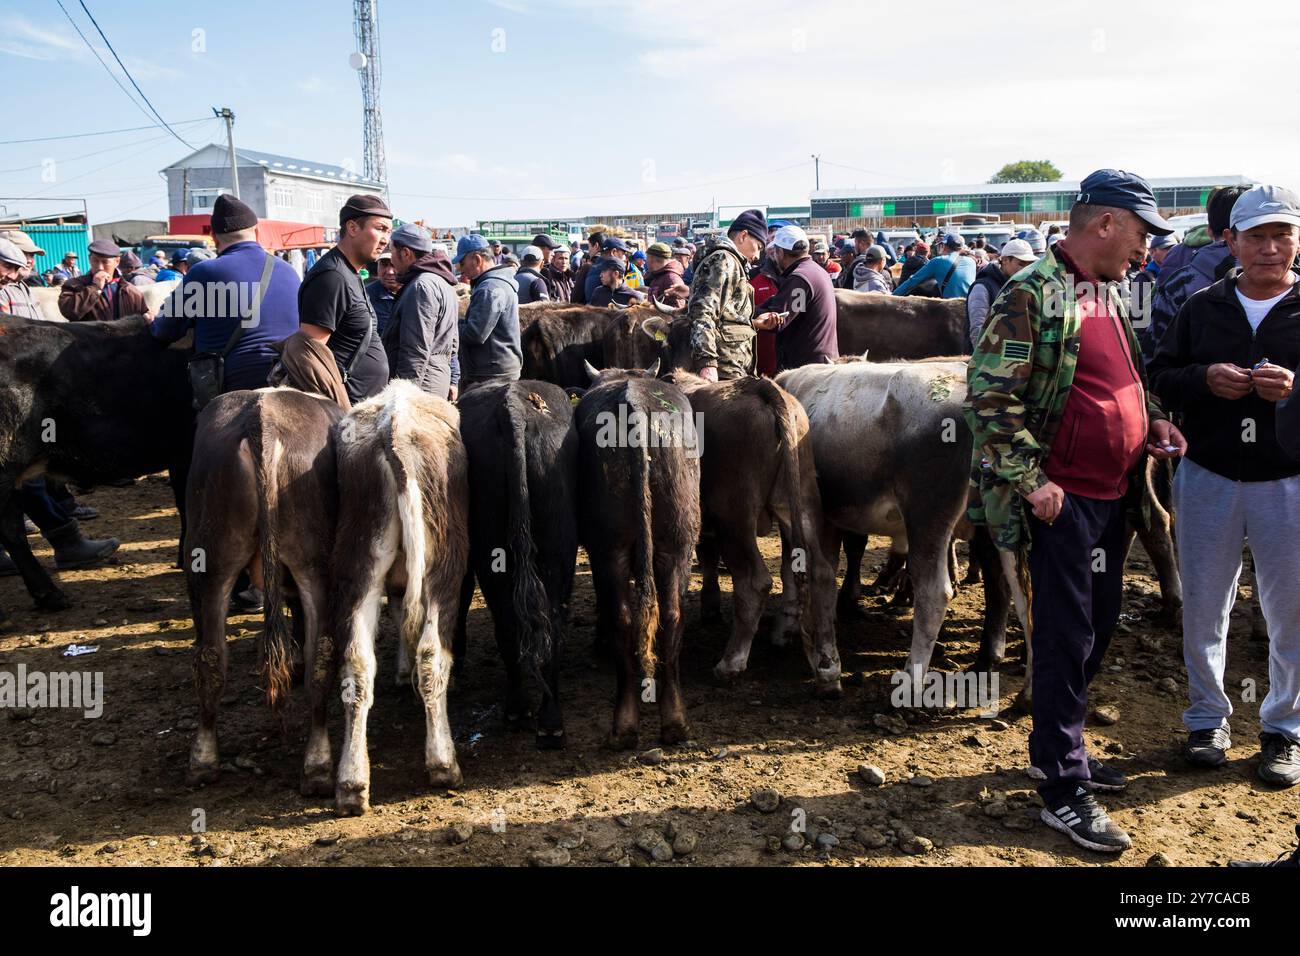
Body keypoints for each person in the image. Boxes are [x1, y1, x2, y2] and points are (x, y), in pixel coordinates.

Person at [965, 169, 1185, 853]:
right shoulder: (1034, 293)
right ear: (1106, 224)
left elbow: (1121, 378)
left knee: (1099, 620)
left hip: (1112, 493)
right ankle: (1062, 785)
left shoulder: (1107, 293)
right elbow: (989, 397)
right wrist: (1033, 481)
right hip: (1065, 500)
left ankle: (1058, 750)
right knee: (1066, 635)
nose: (1146, 248)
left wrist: (1150, 422)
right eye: (1142, 232)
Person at [1148, 185, 1300, 787]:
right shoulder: (1202, 307)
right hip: (1209, 473)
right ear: (1231, 241)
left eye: (1281, 234)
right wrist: (1203, 378)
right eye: (1256, 235)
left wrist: (1296, 389)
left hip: (1287, 480)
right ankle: (1207, 717)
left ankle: (1284, 728)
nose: (1270, 247)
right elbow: (1158, 375)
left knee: (1290, 612)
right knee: (1204, 606)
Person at [149, 193, 301, 392]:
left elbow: (163, 331)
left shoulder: (204, 273)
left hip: (232, 388)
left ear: (213, 237)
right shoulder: (289, 271)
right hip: (290, 381)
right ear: (256, 231)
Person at [298, 194, 392, 405]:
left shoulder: (351, 273)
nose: (385, 239)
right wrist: (339, 409)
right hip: (345, 413)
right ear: (352, 228)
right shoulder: (332, 277)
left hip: (362, 409)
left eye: (388, 231)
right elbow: (309, 356)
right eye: (380, 228)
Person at [1142, 184, 1252, 359]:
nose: (1143, 249)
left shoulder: (1179, 283)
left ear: (1209, 230)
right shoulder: (1288, 285)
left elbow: (1153, 354)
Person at [686, 208, 767, 381]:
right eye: (758, 247)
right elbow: (702, 312)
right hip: (723, 370)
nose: (758, 255)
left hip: (731, 367)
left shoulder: (732, 262)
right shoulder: (724, 260)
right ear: (743, 236)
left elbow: (726, 317)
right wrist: (707, 363)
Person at [383, 223, 460, 400]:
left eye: (392, 252)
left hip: (420, 387)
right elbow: (453, 342)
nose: (391, 260)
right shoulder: (442, 282)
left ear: (406, 253)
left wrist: (402, 398)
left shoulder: (421, 286)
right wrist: (453, 378)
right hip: (433, 380)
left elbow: (415, 350)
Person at [753, 225, 839, 369]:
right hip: (820, 363)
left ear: (780, 252)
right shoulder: (815, 271)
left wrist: (748, 318)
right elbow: (793, 307)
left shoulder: (799, 279)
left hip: (809, 369)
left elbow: (781, 318)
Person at [454, 233, 521, 390]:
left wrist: (449, 326)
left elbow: (475, 334)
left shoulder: (489, 289)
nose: (461, 270)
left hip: (491, 374)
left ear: (477, 259)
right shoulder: (497, 283)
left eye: (462, 264)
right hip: (501, 368)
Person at [966, 238, 1038, 348]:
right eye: (1021, 263)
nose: (1026, 269)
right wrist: (986, 360)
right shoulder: (982, 287)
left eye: (1030, 264)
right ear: (1004, 260)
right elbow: (978, 330)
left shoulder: (1023, 285)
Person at [58, 239, 149, 321]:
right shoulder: (74, 285)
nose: (100, 267)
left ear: (117, 262)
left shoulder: (131, 291)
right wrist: (95, 288)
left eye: (105, 262)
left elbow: (142, 319)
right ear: (90, 260)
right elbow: (69, 313)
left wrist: (148, 318)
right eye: (95, 261)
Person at [893, 233, 976, 298]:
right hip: (970, 307)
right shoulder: (971, 262)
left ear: (943, 246)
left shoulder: (938, 261)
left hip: (951, 309)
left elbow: (912, 281)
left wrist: (892, 296)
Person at [0, 237, 43, 319]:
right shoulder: (3, 290)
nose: (29, 261)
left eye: (32, 255)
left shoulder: (25, 288)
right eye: (7, 265)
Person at [643, 241, 690, 307]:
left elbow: (677, 311)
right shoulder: (658, 276)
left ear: (652, 259)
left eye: (647, 258)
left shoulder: (671, 279)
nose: (646, 261)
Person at [366, 250, 399, 335]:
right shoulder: (366, 296)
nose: (389, 272)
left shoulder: (418, 293)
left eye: (394, 264)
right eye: (384, 264)